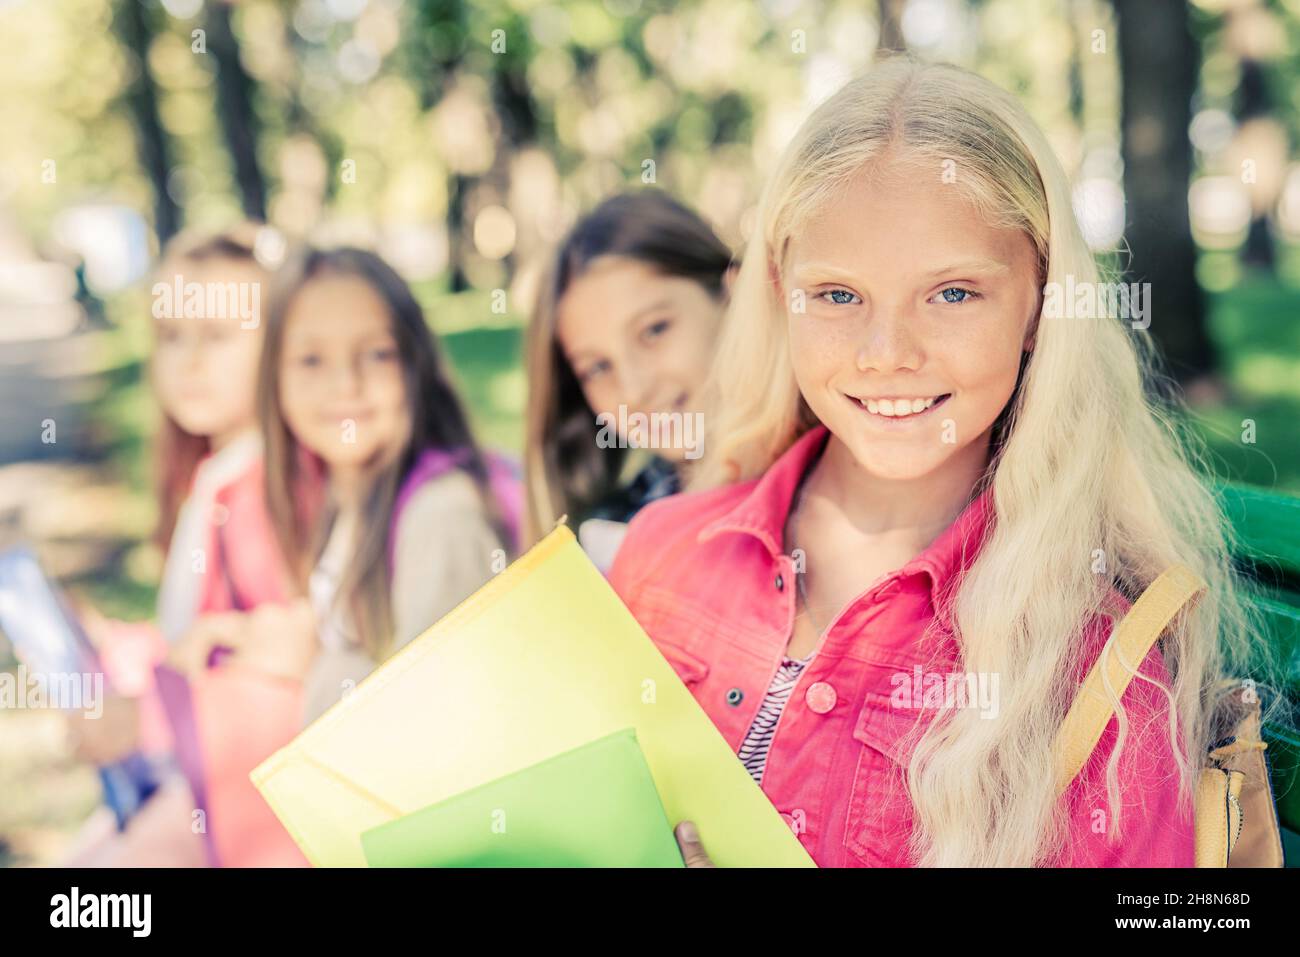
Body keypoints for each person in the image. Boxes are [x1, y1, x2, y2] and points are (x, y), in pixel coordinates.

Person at [609, 59, 1285, 867]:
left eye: (953, 293)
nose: (887, 353)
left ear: (1039, 304)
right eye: (838, 295)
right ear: (781, 292)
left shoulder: (1100, 671)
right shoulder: (661, 554)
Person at [181, 246, 517, 726]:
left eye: (376, 354)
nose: (345, 384)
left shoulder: (442, 518)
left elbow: (436, 729)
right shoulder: (343, 496)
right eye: (311, 360)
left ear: (415, 364)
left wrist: (314, 666)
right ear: (274, 378)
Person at [523, 191, 733, 568]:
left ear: (733, 294)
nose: (635, 392)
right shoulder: (611, 547)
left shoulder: (833, 488)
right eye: (597, 368)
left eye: (653, 330)